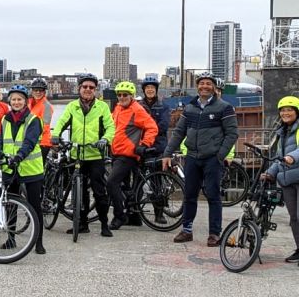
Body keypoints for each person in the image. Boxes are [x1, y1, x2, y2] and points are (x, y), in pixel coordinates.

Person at [161, 72, 239, 247]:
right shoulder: (190, 108)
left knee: (213, 196)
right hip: (192, 158)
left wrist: (220, 155)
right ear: (197, 86)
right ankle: (186, 230)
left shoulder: (224, 108)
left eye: (208, 83)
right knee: (189, 195)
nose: (204, 86)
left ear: (214, 87)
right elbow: (179, 132)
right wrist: (167, 153)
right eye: (201, 83)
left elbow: (232, 133)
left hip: (212, 159)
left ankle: (214, 234)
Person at [54, 73, 114, 237]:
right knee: (79, 192)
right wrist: (56, 135)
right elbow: (61, 122)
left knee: (99, 191)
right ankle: (82, 223)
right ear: (79, 89)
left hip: (95, 155)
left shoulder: (102, 107)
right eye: (85, 87)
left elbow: (110, 127)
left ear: (95, 90)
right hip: (77, 153)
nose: (88, 90)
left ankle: (104, 224)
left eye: (91, 88)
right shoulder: (72, 106)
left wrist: (105, 139)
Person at [106, 81, 158, 231]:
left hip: (128, 155)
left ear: (132, 96)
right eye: (119, 95)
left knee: (111, 183)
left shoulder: (137, 110)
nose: (122, 97)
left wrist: (144, 144)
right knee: (126, 187)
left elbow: (152, 127)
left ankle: (119, 216)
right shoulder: (118, 108)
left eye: (125, 95)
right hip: (117, 152)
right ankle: (134, 217)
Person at [0, 84, 47, 254]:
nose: (17, 102)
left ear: (26, 101)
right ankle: (11, 238)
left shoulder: (34, 120)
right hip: (10, 168)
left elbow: (30, 142)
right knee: (10, 205)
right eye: (14, 99)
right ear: (9, 101)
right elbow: (2, 142)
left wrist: (19, 156)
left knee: (35, 206)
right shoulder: (4, 119)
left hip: (30, 169)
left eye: (20, 99)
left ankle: (38, 241)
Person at [261, 96, 299, 262]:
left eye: (290, 109)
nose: (286, 113)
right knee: (294, 218)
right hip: (287, 180)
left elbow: (292, 154)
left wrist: (292, 156)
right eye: (283, 110)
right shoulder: (282, 132)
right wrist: (270, 172)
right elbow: (278, 157)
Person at [27, 78, 55, 160]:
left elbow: (45, 126)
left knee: (38, 168)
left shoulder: (47, 106)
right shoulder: (28, 103)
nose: (38, 92)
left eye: (40, 90)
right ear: (32, 91)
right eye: (36, 90)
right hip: (30, 140)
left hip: (42, 142)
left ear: (44, 92)